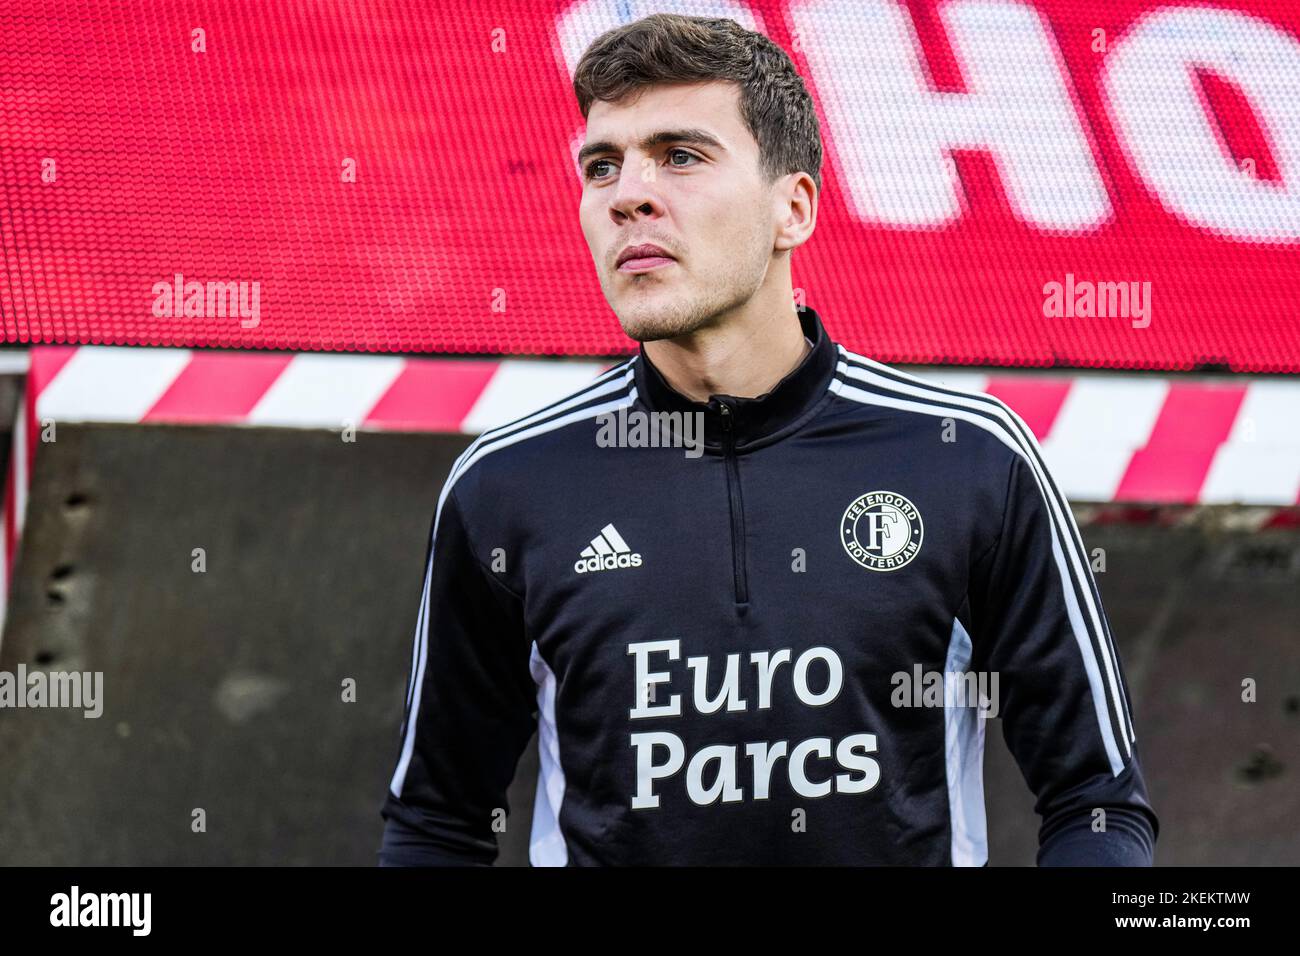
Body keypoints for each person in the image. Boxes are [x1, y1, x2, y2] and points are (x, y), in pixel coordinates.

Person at [379, 12, 1157, 866]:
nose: (628, 194)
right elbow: (436, 826)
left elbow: (1096, 802)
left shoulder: (968, 458)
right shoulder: (506, 486)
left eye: (680, 155)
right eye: (603, 166)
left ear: (793, 208)